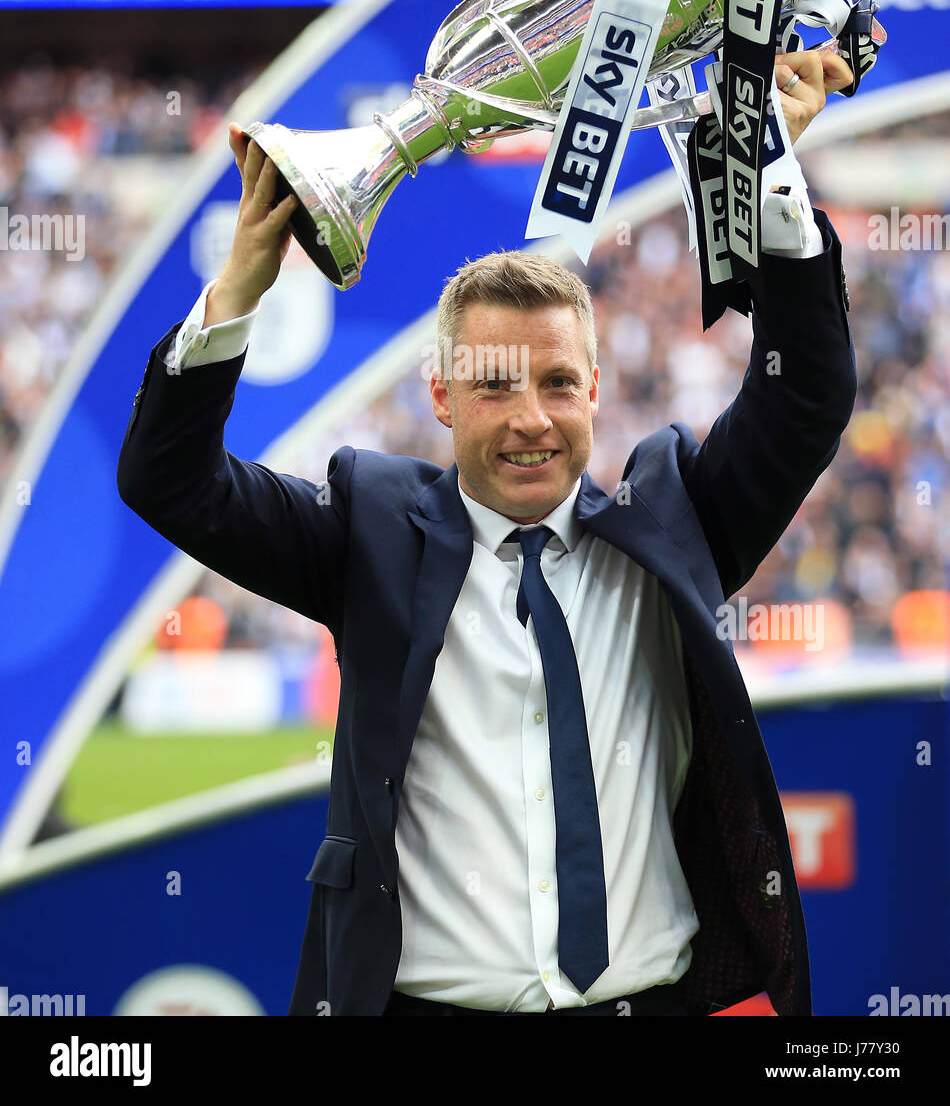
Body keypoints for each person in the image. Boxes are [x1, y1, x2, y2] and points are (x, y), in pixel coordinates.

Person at [116, 49, 857, 1017]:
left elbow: (804, 393)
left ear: (592, 389)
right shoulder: (367, 538)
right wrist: (242, 286)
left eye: (555, 383)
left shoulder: (674, 525)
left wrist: (764, 178)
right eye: (493, 385)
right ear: (440, 396)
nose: (529, 418)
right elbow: (166, 479)